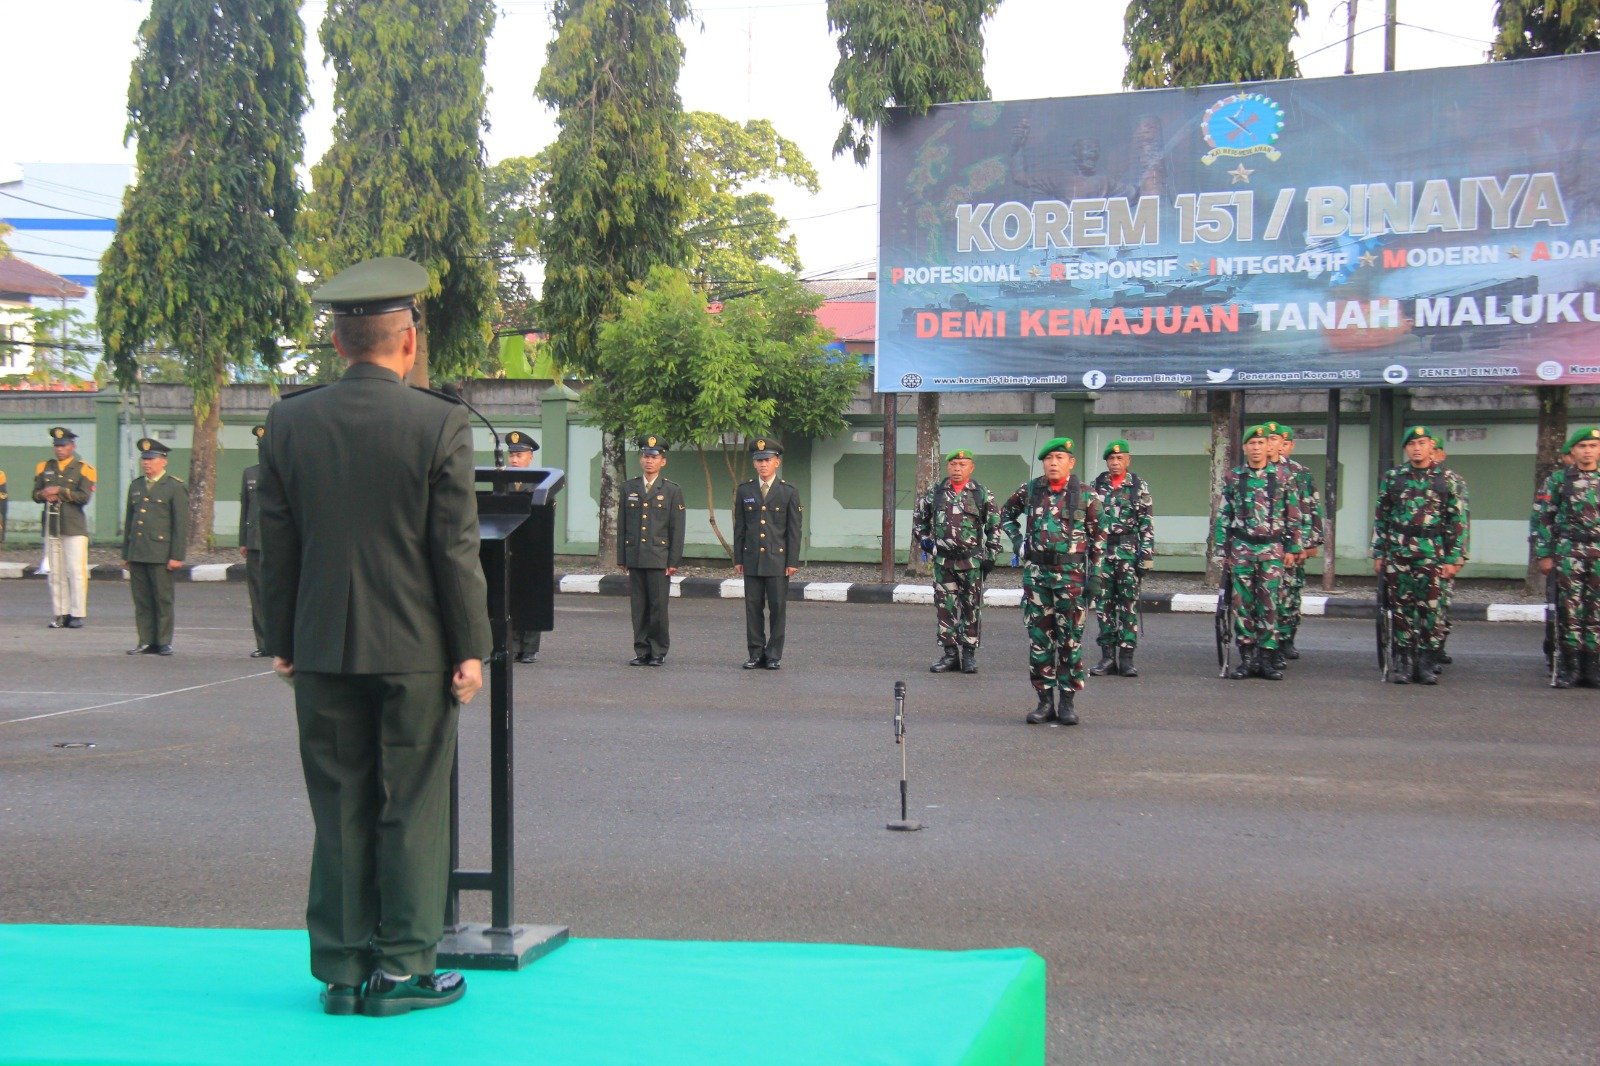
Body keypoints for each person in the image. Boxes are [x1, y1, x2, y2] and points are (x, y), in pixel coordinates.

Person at [257, 257, 491, 1017]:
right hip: (416, 649)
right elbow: (453, 548)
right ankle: (402, 971)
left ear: (337, 342)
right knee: (411, 806)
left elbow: (275, 543)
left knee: (339, 805)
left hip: (323, 644)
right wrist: (470, 647)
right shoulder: (439, 421)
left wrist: (281, 638)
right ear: (408, 342)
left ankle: (343, 974)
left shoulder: (290, 420)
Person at [1000, 437, 1104, 725]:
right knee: (1039, 641)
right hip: (1036, 579)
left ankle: (1068, 702)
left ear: (1071, 462)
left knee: (1070, 640)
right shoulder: (1031, 490)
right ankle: (1044, 701)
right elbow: (1005, 515)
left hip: (1071, 579)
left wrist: (1095, 577)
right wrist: (1018, 541)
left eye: (1059, 458)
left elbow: (1099, 540)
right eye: (1049, 459)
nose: (1053, 463)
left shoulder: (1086, 495)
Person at [1371, 425, 1469, 685]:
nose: (1417, 448)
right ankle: (1404, 662)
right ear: (1406, 448)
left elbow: (1458, 521)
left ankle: (1426, 662)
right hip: (1399, 553)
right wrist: (1378, 552)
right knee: (1401, 610)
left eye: (1422, 443)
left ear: (1431, 447)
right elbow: (1382, 518)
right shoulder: (1394, 478)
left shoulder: (1449, 479)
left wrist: (1454, 558)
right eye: (1412, 444)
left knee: (1431, 611)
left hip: (1432, 553)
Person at [1214, 425, 1304, 681]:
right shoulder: (1234, 478)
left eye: (1260, 443)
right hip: (1242, 550)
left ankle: (1267, 659)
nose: (1255, 448)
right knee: (1243, 606)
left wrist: (1293, 548)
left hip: (1272, 550)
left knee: (1269, 605)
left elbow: (1293, 516)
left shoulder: (1283, 477)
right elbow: (1223, 516)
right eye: (1251, 444)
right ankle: (1247, 659)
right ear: (1244, 448)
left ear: (1268, 447)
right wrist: (1223, 550)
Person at [911, 448, 1001, 674]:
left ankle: (968, 654)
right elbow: (919, 521)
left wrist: (990, 556)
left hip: (971, 563)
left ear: (971, 468)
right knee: (945, 607)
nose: (957, 469)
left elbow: (994, 527)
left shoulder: (981, 494)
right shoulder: (935, 493)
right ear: (947, 467)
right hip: (944, 563)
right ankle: (950, 654)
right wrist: (926, 543)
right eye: (953, 465)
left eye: (962, 465)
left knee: (971, 608)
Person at [1531, 426, 1600, 688]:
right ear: (1573, 450)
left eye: (1593, 446)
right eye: (1582, 446)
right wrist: (1545, 555)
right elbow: (1544, 519)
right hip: (1569, 553)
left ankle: (1592, 669)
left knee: (1596, 612)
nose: (1587, 451)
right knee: (1569, 611)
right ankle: (1569, 668)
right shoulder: (1558, 481)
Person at [733, 436, 802, 669]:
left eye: (767, 459)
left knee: (777, 608)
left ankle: (773, 655)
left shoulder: (788, 492)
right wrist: (738, 558)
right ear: (754, 463)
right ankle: (755, 653)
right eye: (758, 460)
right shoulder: (745, 490)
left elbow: (793, 529)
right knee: (752, 607)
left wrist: (792, 560)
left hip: (777, 559)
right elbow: (740, 527)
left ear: (777, 462)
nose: (763, 464)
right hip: (751, 558)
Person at [1088, 439, 1154, 678]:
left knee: (1127, 605)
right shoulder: (1096, 485)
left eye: (1120, 458)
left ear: (1128, 460)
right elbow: (1089, 521)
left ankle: (1127, 658)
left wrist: (1146, 555)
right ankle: (1107, 657)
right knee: (1104, 605)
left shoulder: (1138, 486)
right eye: (1111, 459)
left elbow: (1146, 523)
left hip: (1128, 552)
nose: (1115, 463)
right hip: (1103, 553)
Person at [619, 434, 686, 666]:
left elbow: (677, 529)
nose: (649, 461)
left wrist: (673, 560)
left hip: (659, 557)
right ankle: (641, 650)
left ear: (663, 461)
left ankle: (658, 650)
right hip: (635, 555)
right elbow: (622, 525)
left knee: (658, 607)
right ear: (641, 459)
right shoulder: (629, 488)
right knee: (638, 607)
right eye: (646, 456)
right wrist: (622, 556)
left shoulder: (671, 490)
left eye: (654, 457)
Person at [121, 437, 186, 655]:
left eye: (151, 459)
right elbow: (129, 522)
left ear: (163, 461)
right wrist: (126, 553)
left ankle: (164, 640)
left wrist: (176, 555)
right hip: (138, 551)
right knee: (142, 600)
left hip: (161, 552)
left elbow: (180, 525)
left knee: (163, 599)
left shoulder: (174, 487)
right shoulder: (137, 485)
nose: (146, 463)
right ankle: (146, 640)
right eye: (144, 459)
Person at [1265, 422, 1323, 663]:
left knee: (1290, 593)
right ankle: (1271, 643)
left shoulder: (1299, 472)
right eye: (1266, 439)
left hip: (1292, 542)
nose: (1270, 444)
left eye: (1275, 439)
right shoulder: (1253, 471)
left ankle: (1287, 638)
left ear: (1284, 444)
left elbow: (1308, 508)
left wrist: (1308, 544)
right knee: (1270, 597)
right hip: (1266, 545)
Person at [33, 426, 95, 629]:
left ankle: (77, 613)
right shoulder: (44, 466)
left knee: (76, 571)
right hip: (52, 526)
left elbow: (84, 497)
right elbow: (35, 494)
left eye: (64, 445)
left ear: (72, 446)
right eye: (57, 445)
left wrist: (60, 490)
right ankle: (60, 612)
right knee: (55, 573)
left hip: (74, 526)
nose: (59, 449)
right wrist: (44, 494)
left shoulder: (84, 468)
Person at [504, 430, 546, 664]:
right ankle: (512, 645)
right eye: (512, 455)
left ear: (530, 457)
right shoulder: (501, 483)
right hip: (508, 548)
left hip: (531, 548)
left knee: (530, 598)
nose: (514, 459)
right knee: (509, 598)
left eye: (519, 455)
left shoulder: (541, 483)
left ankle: (529, 647)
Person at [1430, 439, 1468, 672]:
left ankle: (1437, 646)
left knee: (1441, 600)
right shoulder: (1407, 478)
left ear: (1442, 454)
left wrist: (1459, 555)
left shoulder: (1453, 481)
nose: (1429, 454)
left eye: (1434, 450)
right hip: (1418, 550)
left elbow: (1462, 520)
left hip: (1444, 549)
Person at [239, 425, 269, 657]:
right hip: (255, 544)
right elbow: (245, 510)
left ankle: (281, 644)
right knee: (257, 596)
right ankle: (262, 643)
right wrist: (243, 541)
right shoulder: (250, 473)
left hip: (278, 546)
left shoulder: (287, 472)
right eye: (260, 446)